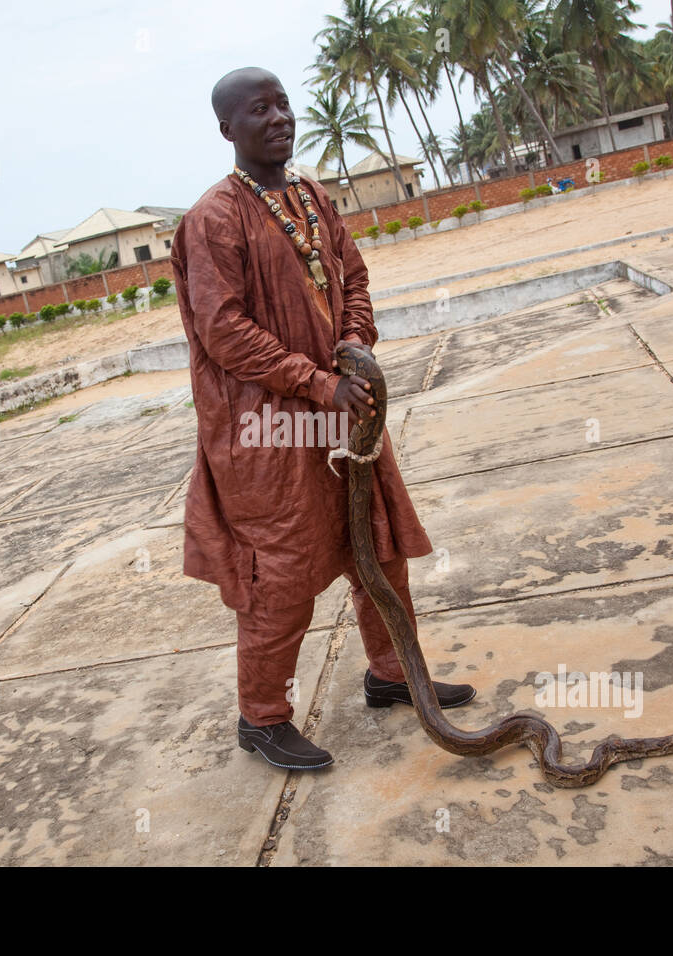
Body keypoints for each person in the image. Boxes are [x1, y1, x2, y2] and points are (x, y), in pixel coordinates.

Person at [169, 67, 476, 772]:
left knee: (380, 544)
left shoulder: (311, 196)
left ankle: (392, 674)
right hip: (270, 431)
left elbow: (355, 278)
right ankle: (263, 718)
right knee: (280, 573)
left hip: (343, 409)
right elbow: (223, 331)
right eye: (259, 110)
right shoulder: (213, 218)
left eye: (283, 104)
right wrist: (317, 383)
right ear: (228, 130)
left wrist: (356, 344)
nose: (278, 118)